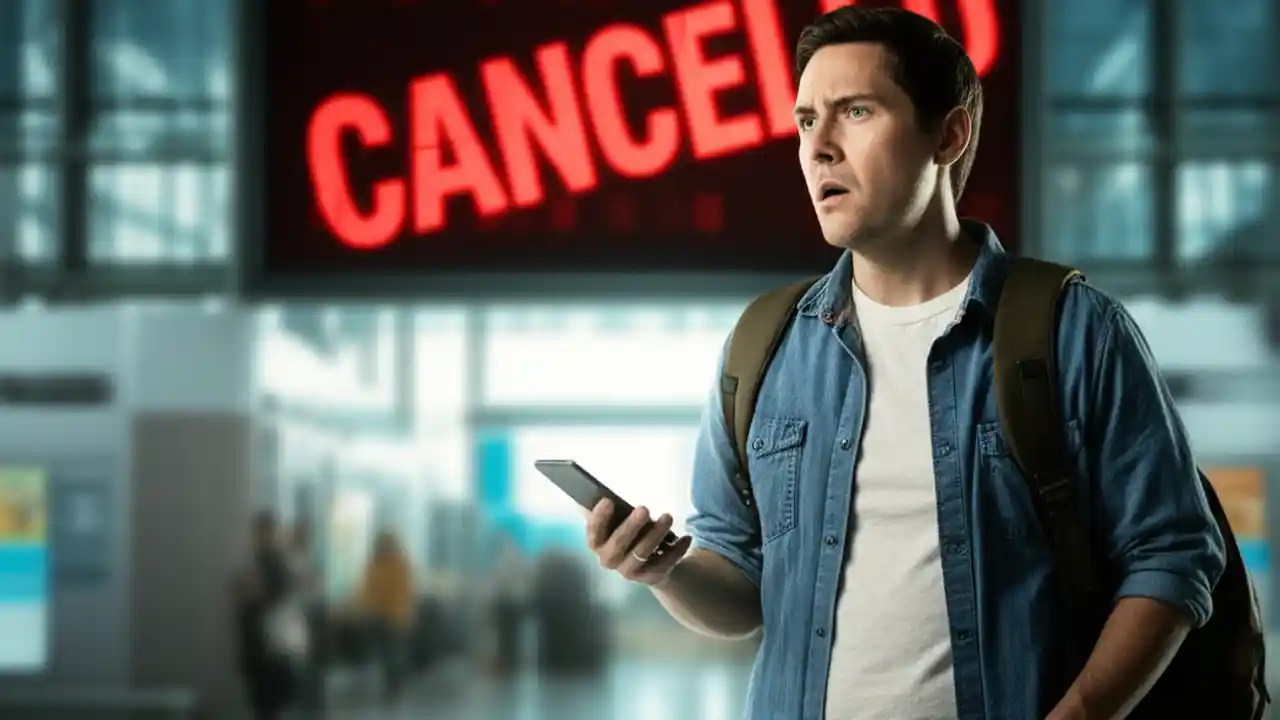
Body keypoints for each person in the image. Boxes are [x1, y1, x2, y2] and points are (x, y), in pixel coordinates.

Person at [582, 7, 1225, 720]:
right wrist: (664, 572)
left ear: (948, 135)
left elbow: (1172, 559)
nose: (819, 148)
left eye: (855, 111)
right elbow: (741, 590)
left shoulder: (1075, 332)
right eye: (804, 121)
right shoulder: (765, 348)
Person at [231, 510, 301, 720]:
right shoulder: (259, 560)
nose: (261, 537)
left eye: (265, 532)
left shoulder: (275, 562)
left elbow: (273, 593)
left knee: (267, 701)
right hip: (260, 640)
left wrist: (252, 590)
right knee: (263, 701)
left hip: (269, 641)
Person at [358, 530, 415, 701]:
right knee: (386, 653)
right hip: (380, 615)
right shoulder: (374, 564)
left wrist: (389, 609)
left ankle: (396, 685)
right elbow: (367, 589)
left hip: (395, 615)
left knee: (394, 652)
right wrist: (366, 608)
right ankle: (391, 684)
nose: (384, 547)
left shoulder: (400, 564)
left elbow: (402, 591)